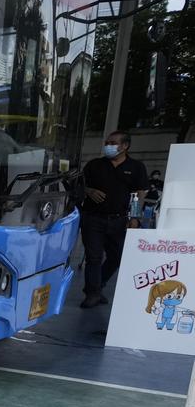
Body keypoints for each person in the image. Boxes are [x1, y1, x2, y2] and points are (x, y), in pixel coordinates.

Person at [79, 131, 149, 308]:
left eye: (113, 143)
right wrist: (89, 191)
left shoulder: (136, 167)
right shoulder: (95, 165)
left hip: (119, 220)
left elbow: (139, 193)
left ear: (125, 146)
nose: (108, 146)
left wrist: (134, 217)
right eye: (107, 143)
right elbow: (79, 185)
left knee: (117, 257)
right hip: (93, 218)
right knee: (93, 257)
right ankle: (92, 293)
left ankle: (99, 284)